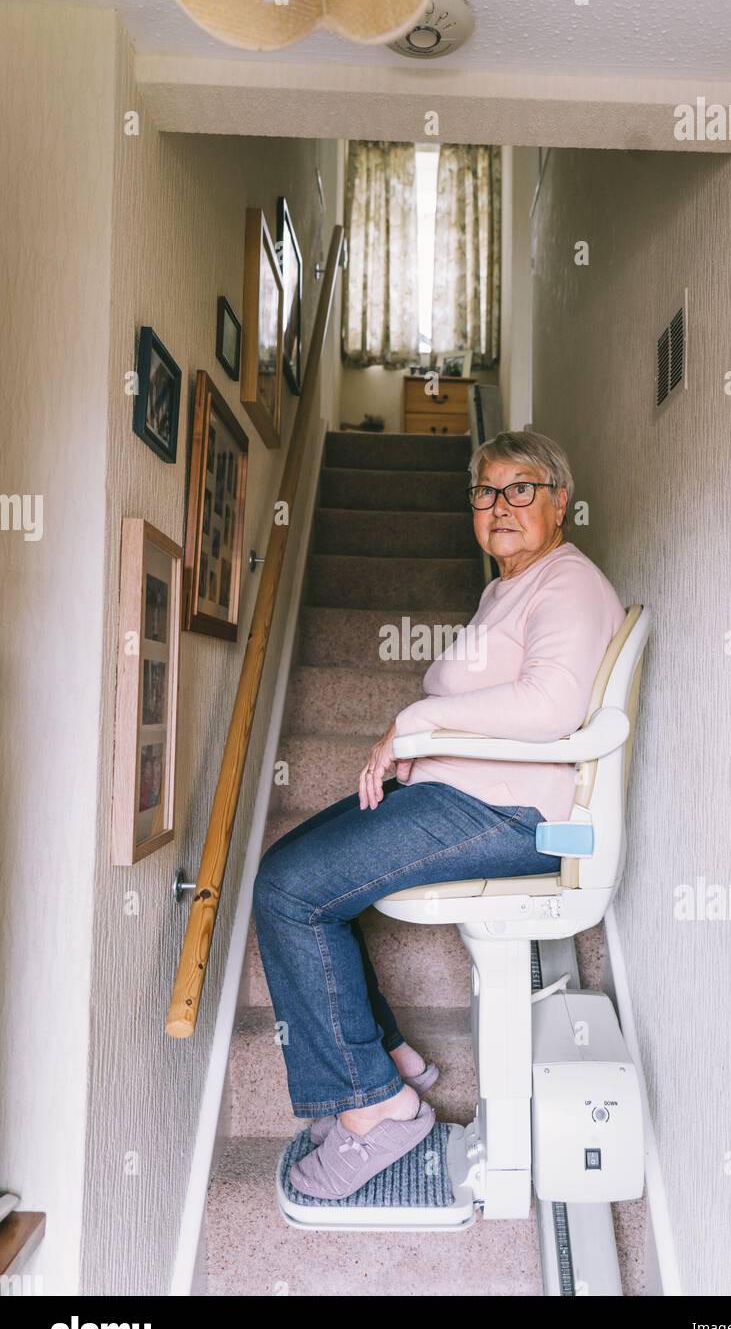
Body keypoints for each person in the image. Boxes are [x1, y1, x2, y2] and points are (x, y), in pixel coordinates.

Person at [252, 430, 627, 1200]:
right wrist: (419, 743)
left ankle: (378, 1112)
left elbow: (552, 705)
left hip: (509, 811)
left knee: (293, 894)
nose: (500, 505)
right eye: (486, 491)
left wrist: (413, 724)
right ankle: (382, 1058)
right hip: (465, 796)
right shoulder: (509, 587)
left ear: (560, 500)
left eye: (521, 488)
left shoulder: (569, 585)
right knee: (290, 874)